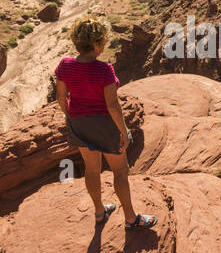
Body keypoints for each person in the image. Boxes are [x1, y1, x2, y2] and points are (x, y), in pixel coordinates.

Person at [55, 16, 156, 229]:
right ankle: (130, 218)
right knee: (120, 171)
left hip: (78, 122)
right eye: (104, 40)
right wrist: (124, 131)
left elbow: (61, 98)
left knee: (92, 169)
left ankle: (100, 212)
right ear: (97, 44)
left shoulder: (65, 64)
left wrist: (70, 116)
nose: (105, 44)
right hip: (103, 124)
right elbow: (112, 105)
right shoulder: (104, 70)